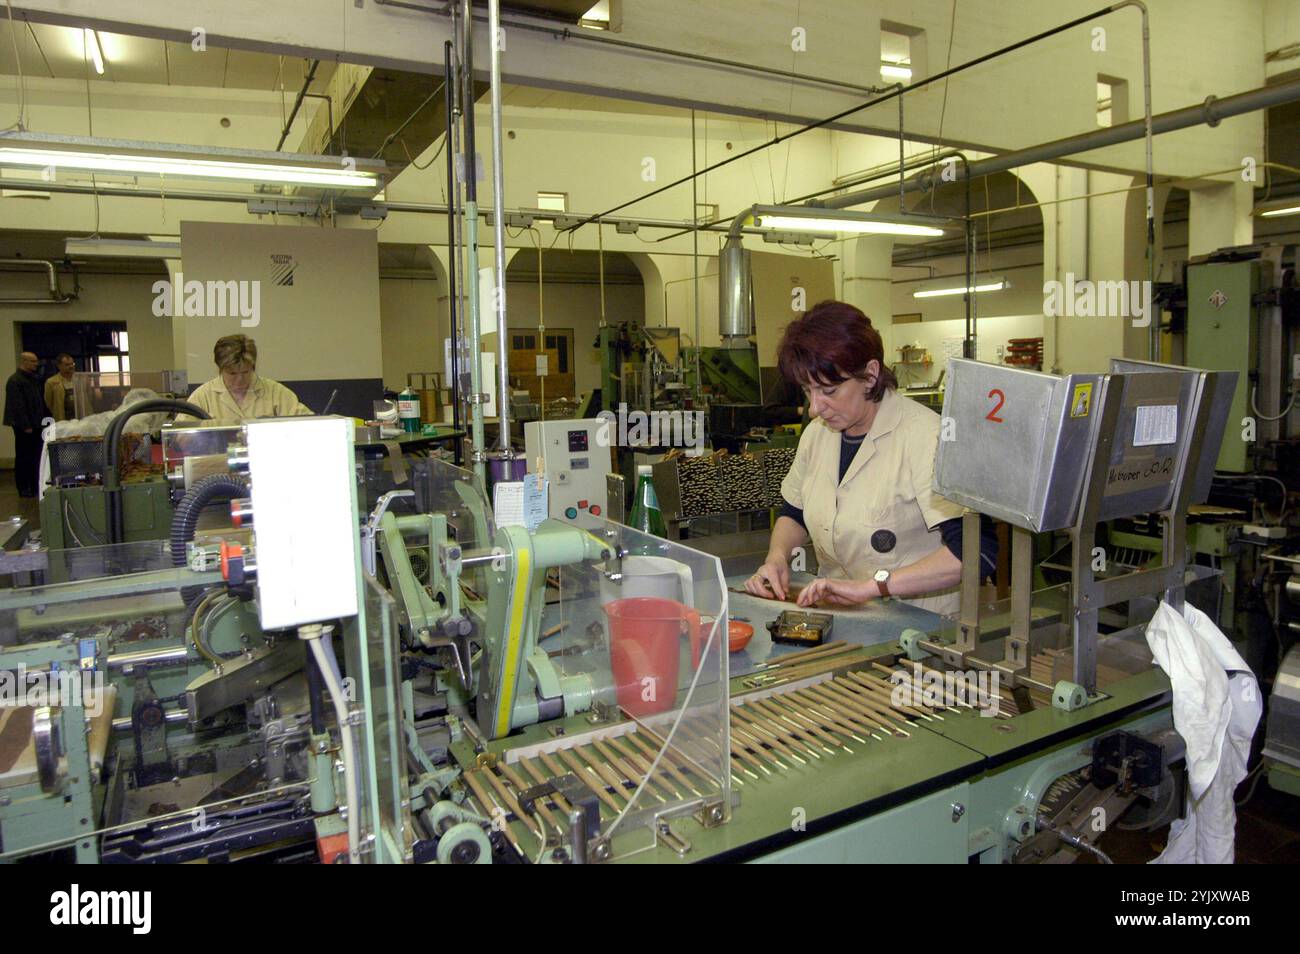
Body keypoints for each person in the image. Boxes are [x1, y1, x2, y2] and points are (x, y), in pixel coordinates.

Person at [744, 301, 996, 615]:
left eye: (829, 391)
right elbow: (794, 512)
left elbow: (975, 554)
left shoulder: (926, 438)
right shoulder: (817, 435)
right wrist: (777, 558)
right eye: (808, 391)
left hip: (919, 627)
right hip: (841, 618)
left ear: (870, 375)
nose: (814, 409)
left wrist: (872, 586)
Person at [186, 335, 313, 422]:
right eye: (232, 374)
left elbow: (307, 422)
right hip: (219, 460)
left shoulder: (276, 392)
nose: (240, 380)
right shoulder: (202, 397)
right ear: (220, 369)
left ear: (253, 366)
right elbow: (180, 438)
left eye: (246, 372)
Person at [4, 352, 50, 497]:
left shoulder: (33, 380)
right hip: (25, 426)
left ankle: (34, 485)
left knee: (36, 456)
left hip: (36, 423)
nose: (36, 364)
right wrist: (25, 425)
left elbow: (40, 402)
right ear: (24, 361)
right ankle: (24, 487)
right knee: (24, 456)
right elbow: (17, 405)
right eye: (33, 361)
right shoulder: (15, 381)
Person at [45, 353, 78, 423]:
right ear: (59, 366)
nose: (71, 366)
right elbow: (49, 402)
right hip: (63, 418)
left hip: (79, 417)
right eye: (67, 365)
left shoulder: (80, 379)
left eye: (72, 364)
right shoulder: (51, 382)